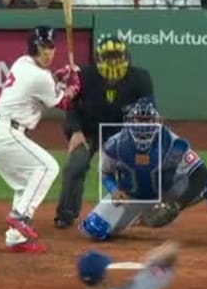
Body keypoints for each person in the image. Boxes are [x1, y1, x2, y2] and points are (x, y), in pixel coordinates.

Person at [81, 98, 207, 247]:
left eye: (148, 121)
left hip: (170, 191)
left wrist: (176, 205)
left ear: (158, 122)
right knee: (93, 229)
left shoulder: (173, 143)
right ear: (129, 122)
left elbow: (200, 174)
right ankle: (139, 217)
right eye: (139, 120)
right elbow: (105, 173)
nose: (143, 125)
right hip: (133, 196)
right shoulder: (114, 145)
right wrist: (113, 189)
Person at [0, 26, 80, 254]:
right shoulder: (39, 75)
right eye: (43, 48)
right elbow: (63, 103)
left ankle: (16, 238)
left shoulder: (22, 63)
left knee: (25, 184)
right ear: (33, 48)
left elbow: (45, 84)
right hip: (6, 133)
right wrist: (74, 83)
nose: (48, 52)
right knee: (48, 167)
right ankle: (20, 216)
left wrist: (61, 76)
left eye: (51, 47)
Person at [53, 35, 155, 229]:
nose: (113, 62)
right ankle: (66, 214)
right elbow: (71, 106)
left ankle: (139, 212)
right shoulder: (84, 76)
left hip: (122, 133)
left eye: (117, 57)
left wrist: (140, 142)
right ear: (98, 59)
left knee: (138, 166)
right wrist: (75, 131)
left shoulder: (141, 78)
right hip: (88, 129)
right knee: (76, 164)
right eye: (108, 57)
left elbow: (150, 111)